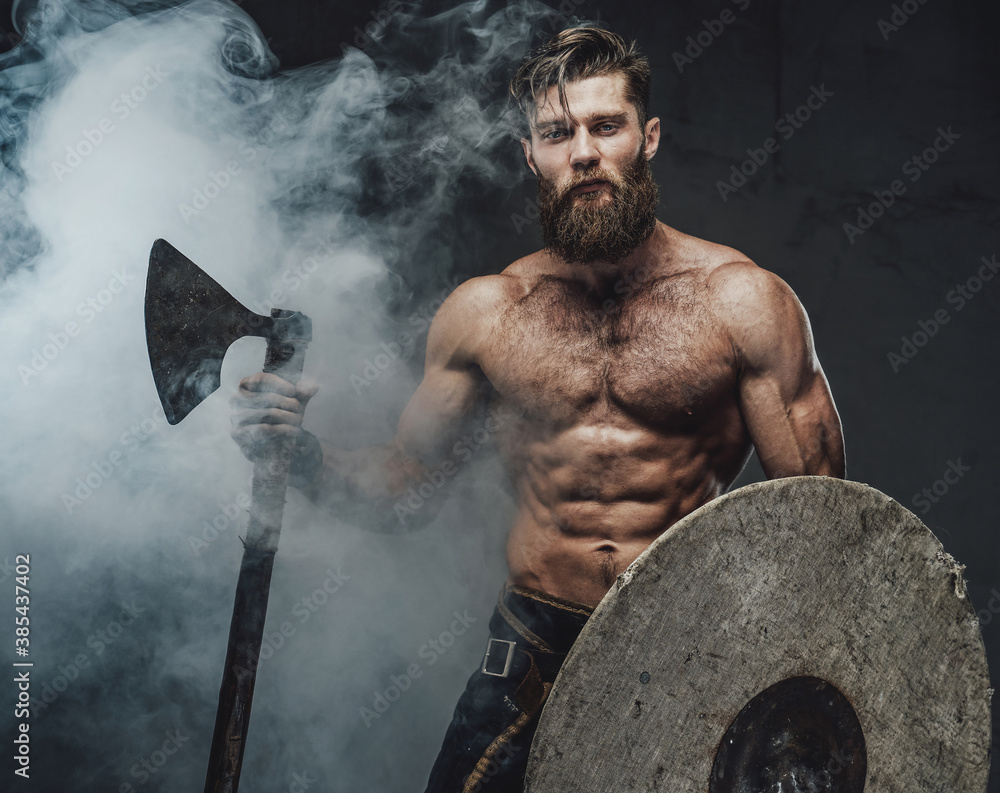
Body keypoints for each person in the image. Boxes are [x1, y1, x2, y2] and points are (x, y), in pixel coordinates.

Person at [230, 26, 845, 793]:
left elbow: (823, 524)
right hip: (532, 640)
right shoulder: (486, 314)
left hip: (688, 636)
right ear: (531, 155)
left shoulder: (745, 302)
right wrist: (303, 459)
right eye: (557, 133)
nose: (583, 152)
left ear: (646, 139)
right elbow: (406, 484)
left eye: (606, 126)